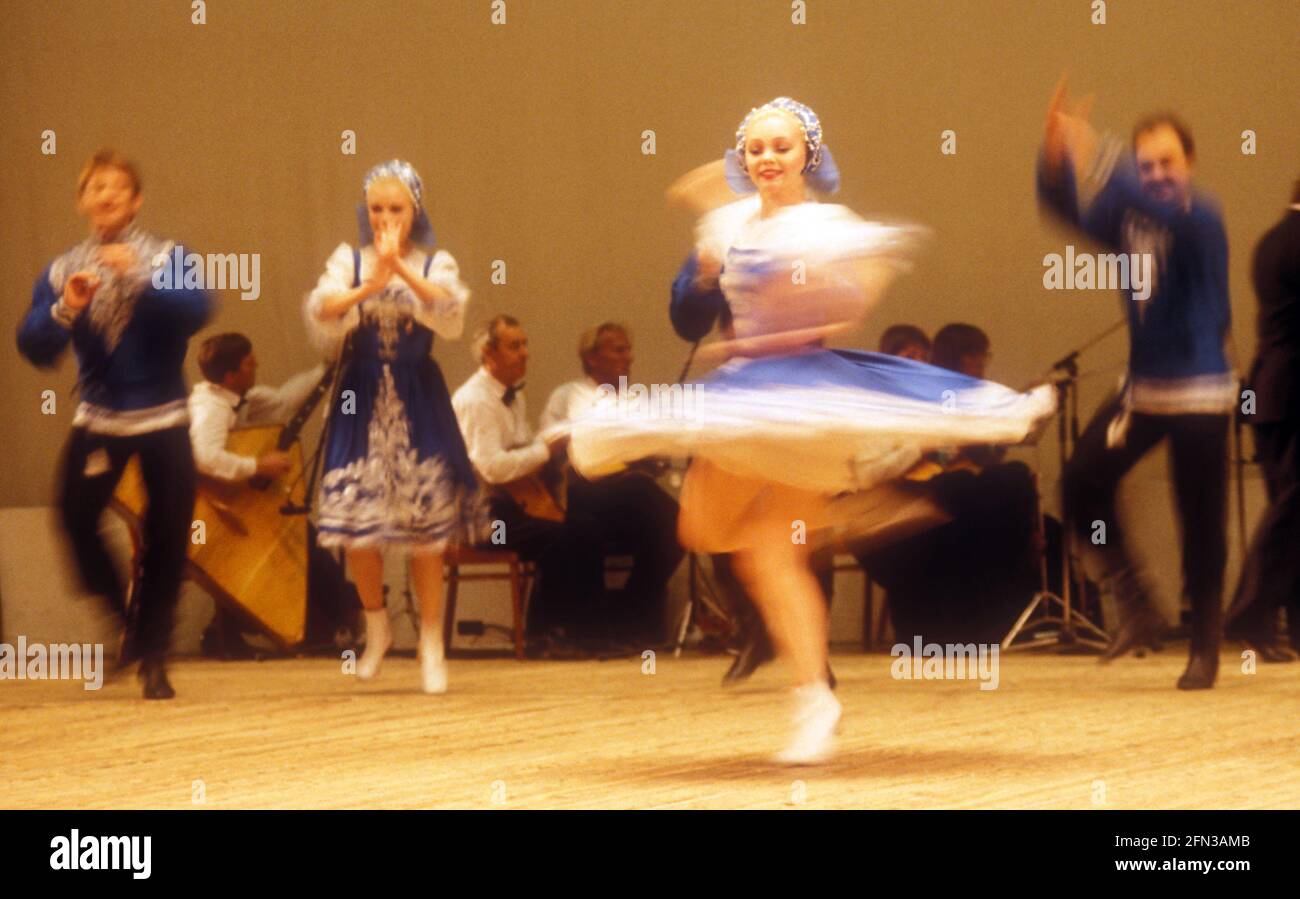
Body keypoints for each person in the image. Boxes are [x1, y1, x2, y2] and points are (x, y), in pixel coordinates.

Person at [570, 97, 1053, 763]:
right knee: (713, 535)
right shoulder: (730, 221)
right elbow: (686, 314)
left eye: (782, 146)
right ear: (744, 158)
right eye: (757, 148)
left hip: (797, 398)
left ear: (808, 156)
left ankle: (812, 695)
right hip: (745, 400)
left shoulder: (826, 226)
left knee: (768, 550)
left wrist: (783, 324)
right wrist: (705, 272)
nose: (768, 157)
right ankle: (850, 517)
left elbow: (851, 303)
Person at [1037, 80, 1235, 689]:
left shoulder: (1200, 215)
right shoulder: (1128, 214)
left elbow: (1155, 207)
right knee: (1079, 485)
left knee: (1200, 519)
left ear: (1190, 165)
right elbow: (1067, 212)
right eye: (1145, 164)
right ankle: (1137, 601)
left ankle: (1204, 643)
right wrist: (1055, 159)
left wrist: (1097, 150)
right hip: (1145, 390)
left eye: (1165, 163)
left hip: (1201, 390)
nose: (1154, 175)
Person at [17, 149, 212, 699]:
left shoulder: (168, 255)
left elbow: (198, 310)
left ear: (135, 200)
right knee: (74, 518)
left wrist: (145, 278)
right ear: (82, 201)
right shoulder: (61, 269)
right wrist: (66, 308)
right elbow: (32, 346)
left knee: (169, 533)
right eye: (95, 187)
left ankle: (154, 654)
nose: (105, 195)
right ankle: (122, 621)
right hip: (100, 417)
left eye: (117, 188)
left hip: (165, 417)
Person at [304, 159, 473, 694]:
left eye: (395, 208)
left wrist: (399, 271)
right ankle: (376, 627)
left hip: (417, 393)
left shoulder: (435, 260)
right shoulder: (348, 259)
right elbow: (322, 311)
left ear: (414, 210)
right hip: (361, 393)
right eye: (376, 208)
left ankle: (429, 641)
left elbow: (448, 312)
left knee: (424, 530)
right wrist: (367, 286)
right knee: (358, 522)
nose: (384, 218)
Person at [452, 315, 606, 651]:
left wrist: (556, 441)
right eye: (514, 346)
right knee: (558, 537)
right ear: (489, 355)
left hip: (507, 505)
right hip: (478, 516)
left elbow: (519, 450)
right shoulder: (476, 400)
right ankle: (543, 633)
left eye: (525, 344)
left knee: (588, 529)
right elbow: (491, 468)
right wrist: (543, 451)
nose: (525, 353)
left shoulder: (513, 396)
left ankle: (587, 630)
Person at [539, 323, 684, 645]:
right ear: (592, 357)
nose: (628, 357)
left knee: (678, 530)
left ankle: (624, 612)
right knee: (645, 497)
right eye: (618, 350)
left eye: (628, 349)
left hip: (630, 495)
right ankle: (614, 620)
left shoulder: (634, 400)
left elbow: (656, 447)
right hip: (586, 490)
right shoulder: (569, 394)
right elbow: (548, 442)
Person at [189, 332, 325, 657]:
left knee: (302, 539)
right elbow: (204, 457)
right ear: (231, 375)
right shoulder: (210, 409)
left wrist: (328, 369)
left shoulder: (240, 397)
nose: (257, 366)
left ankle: (303, 627)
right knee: (296, 543)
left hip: (230, 503)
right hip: (205, 512)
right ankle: (310, 629)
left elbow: (284, 402)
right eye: (250, 363)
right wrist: (256, 465)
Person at [1226, 181, 1300, 661]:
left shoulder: (1272, 240)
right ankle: (1248, 614)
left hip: (1269, 390)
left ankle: (1287, 629)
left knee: (1289, 509)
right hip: (1296, 390)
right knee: (1291, 510)